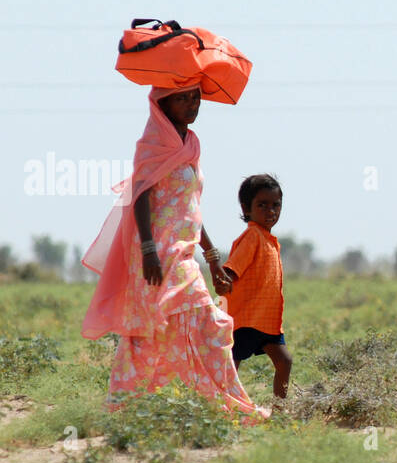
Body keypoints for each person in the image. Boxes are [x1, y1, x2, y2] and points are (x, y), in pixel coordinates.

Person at [80, 83, 266, 418]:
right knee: (154, 329)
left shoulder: (190, 145)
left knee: (195, 325)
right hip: (156, 254)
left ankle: (205, 404)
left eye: (196, 97)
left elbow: (190, 207)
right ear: (162, 103)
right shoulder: (151, 146)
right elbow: (139, 197)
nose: (193, 104)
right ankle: (128, 405)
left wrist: (212, 258)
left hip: (183, 250)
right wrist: (149, 250)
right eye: (183, 97)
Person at [217, 174, 291, 398]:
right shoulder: (252, 236)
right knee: (230, 368)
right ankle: (222, 410)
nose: (271, 211)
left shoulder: (269, 239)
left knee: (284, 361)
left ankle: (280, 413)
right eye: (262, 205)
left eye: (276, 205)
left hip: (266, 320)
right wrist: (224, 279)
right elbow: (233, 267)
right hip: (246, 320)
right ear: (246, 208)